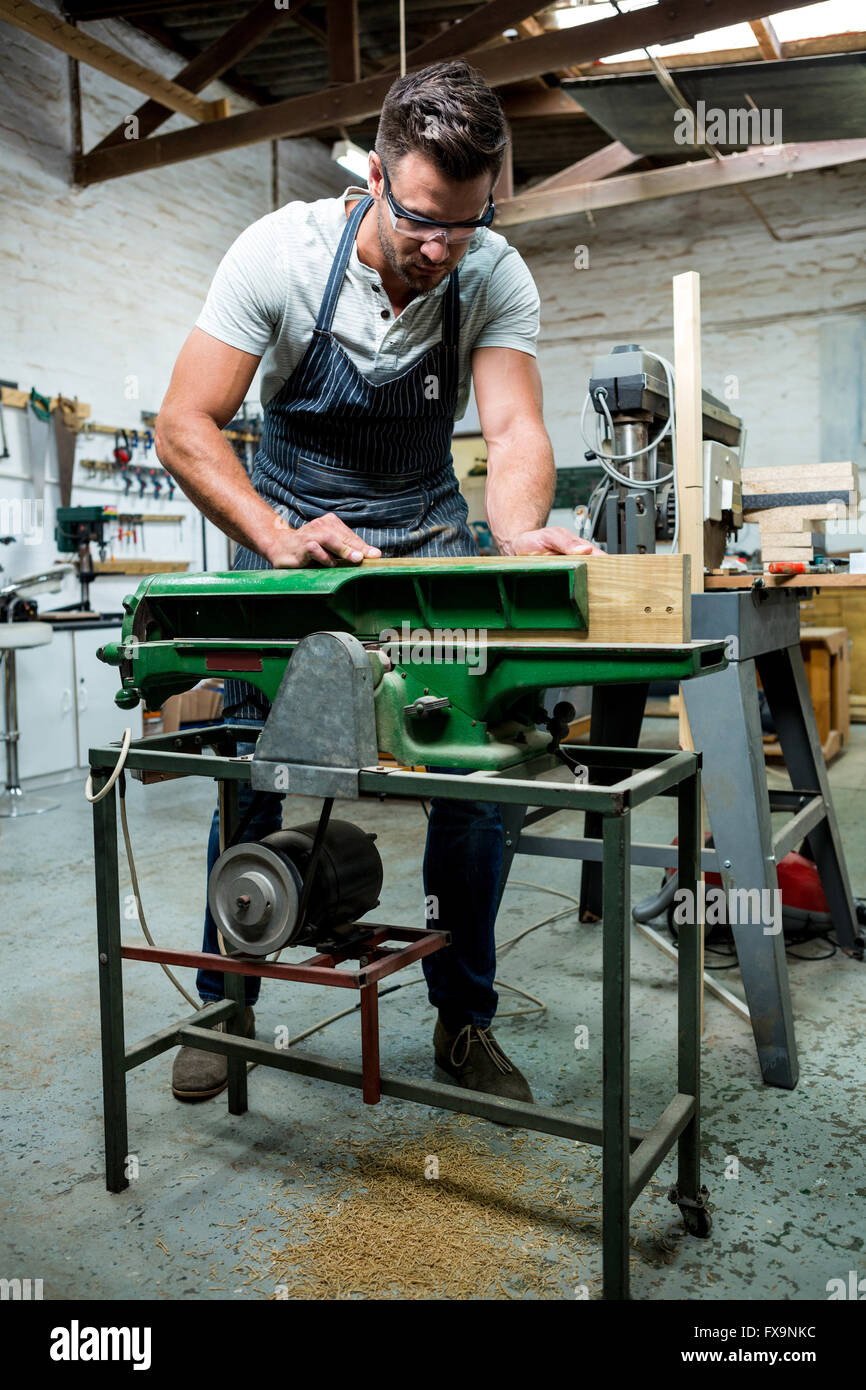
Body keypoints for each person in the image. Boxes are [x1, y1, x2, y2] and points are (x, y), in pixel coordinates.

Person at [155, 59, 599, 1105]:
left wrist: (519, 530)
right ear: (372, 174)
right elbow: (184, 424)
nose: (442, 247)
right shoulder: (279, 253)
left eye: (467, 222)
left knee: (474, 770)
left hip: (427, 529)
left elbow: (512, 424)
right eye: (422, 221)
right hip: (293, 529)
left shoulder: (489, 270)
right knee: (253, 761)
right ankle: (230, 992)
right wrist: (270, 535)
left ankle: (460, 1017)